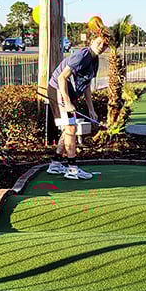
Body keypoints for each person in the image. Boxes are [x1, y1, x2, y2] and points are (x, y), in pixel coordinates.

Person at [47, 31, 110, 180]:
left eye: (105, 44)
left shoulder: (95, 60)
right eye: (99, 42)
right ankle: (72, 169)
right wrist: (67, 102)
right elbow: (62, 77)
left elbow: (87, 85)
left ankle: (55, 163)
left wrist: (91, 109)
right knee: (70, 127)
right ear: (91, 41)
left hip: (69, 93)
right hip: (59, 89)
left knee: (69, 126)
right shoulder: (82, 55)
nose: (101, 46)